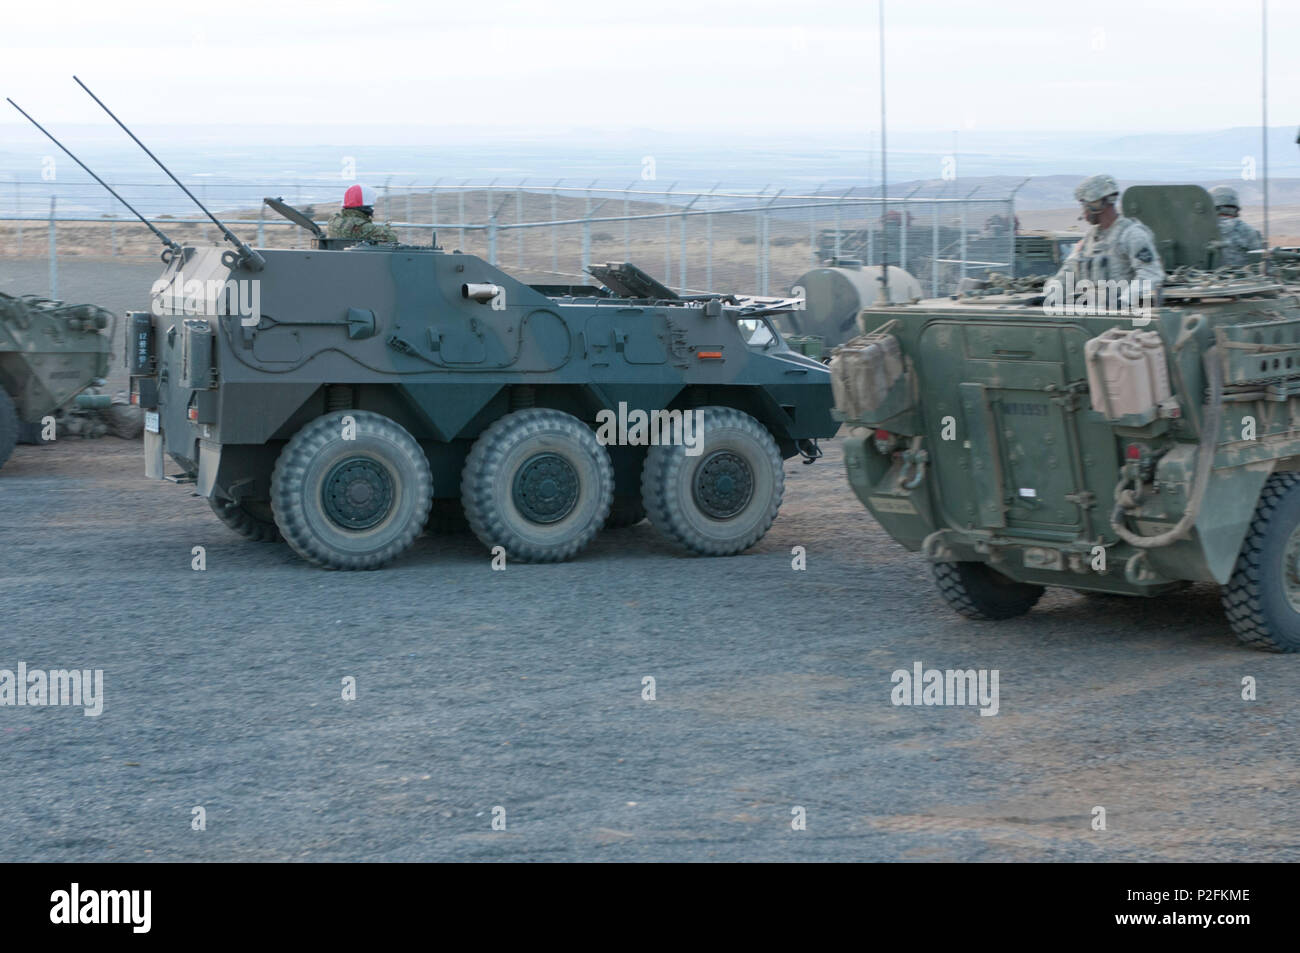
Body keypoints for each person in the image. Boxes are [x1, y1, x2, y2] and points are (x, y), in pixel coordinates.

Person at [1053, 174, 1164, 295]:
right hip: (1090, 309)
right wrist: (1049, 294)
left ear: (1096, 204)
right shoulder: (1089, 239)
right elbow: (1069, 271)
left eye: (1084, 205)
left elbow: (1151, 274)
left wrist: (1125, 301)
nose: (1083, 211)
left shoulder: (1132, 235)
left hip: (1122, 311)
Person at [1209, 185, 1262, 268]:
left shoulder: (1202, 230)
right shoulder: (1248, 230)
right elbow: (1258, 260)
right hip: (1242, 279)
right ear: (1236, 207)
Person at [326, 184, 398, 242]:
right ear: (365, 206)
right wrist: (385, 229)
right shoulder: (363, 227)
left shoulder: (333, 221)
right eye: (371, 205)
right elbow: (392, 238)